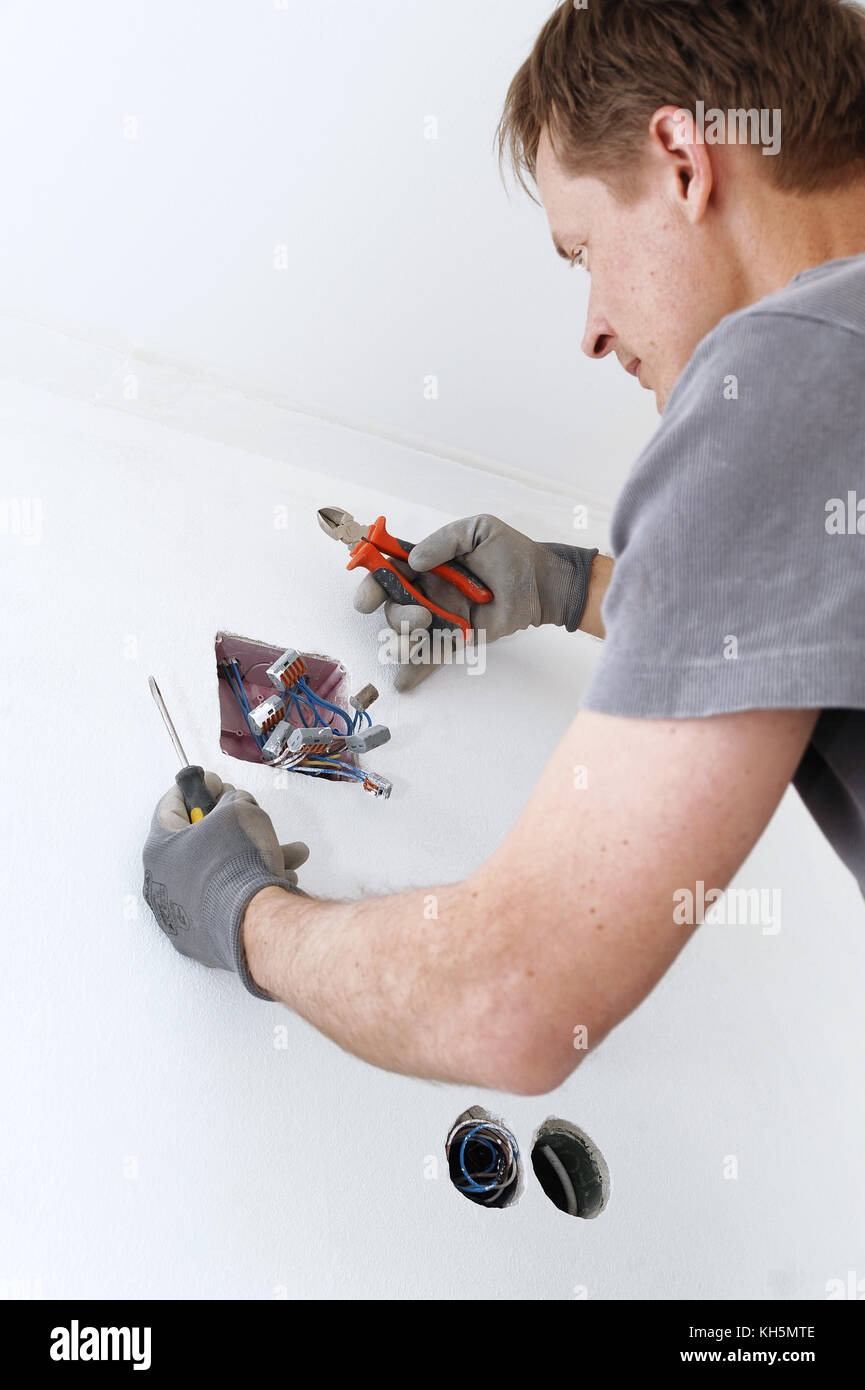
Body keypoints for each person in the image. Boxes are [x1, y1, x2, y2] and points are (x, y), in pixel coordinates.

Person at [142, 0, 865, 1095]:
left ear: (680, 159)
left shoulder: (777, 373)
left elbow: (510, 998)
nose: (591, 328)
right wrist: (572, 586)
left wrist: (244, 915)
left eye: (584, 250)